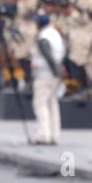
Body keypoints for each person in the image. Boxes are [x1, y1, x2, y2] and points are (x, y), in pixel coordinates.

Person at [31, 12, 65, 146]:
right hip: (54, 74)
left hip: (45, 74)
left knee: (40, 104)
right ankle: (54, 134)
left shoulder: (43, 37)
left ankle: (43, 134)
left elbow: (48, 56)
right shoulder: (55, 33)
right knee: (52, 103)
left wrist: (55, 71)